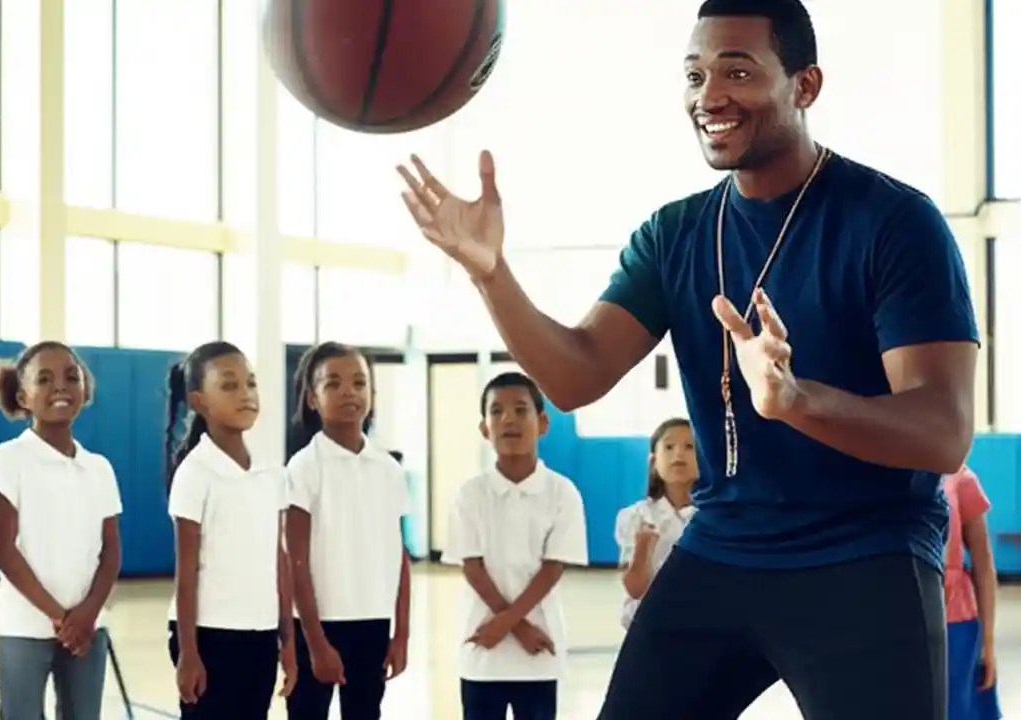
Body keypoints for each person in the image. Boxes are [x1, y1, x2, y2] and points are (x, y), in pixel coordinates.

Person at [396, 0, 978, 716]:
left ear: (805, 85)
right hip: (724, 547)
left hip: (866, 552)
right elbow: (576, 375)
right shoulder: (675, 235)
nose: (710, 96)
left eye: (738, 71)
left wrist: (798, 401)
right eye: (695, 74)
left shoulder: (892, 222)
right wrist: (492, 273)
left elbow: (942, 430)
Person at [0, 341, 123, 720]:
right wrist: (60, 617)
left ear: (85, 390)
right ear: (23, 397)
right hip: (24, 625)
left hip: (89, 627)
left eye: (71, 377)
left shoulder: (99, 469)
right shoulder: (8, 459)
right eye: (44, 379)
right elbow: (3, 549)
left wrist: (88, 614)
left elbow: (111, 552)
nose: (60, 386)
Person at [443, 372, 587, 720]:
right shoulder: (470, 493)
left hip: (539, 651)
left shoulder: (561, 492)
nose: (508, 419)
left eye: (520, 410)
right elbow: (472, 565)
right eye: (496, 411)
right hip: (483, 648)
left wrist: (507, 623)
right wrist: (511, 626)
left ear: (542, 423)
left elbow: (553, 567)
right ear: (484, 428)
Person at [164, 341, 297, 719]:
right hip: (209, 636)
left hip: (260, 634)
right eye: (229, 385)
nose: (245, 394)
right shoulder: (196, 473)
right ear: (198, 401)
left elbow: (278, 560)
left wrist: (287, 640)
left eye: (250, 383)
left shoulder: (271, 472)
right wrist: (189, 653)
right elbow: (186, 573)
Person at [284, 341, 411, 720]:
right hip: (317, 625)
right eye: (332, 384)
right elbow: (295, 560)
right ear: (312, 399)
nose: (348, 392)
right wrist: (316, 642)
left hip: (372, 623)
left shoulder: (388, 469)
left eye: (359, 382)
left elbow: (398, 555)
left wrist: (401, 633)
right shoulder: (305, 467)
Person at [613, 418, 697, 629]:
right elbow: (635, 589)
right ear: (653, 462)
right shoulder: (635, 516)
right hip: (648, 627)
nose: (678, 454)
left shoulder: (717, 517)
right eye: (669, 447)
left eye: (689, 447)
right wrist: (643, 547)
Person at [941, 467, 1002, 720]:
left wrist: (987, 643)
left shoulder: (960, 480)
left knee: (957, 708)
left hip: (956, 623)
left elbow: (984, 568)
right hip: (898, 623)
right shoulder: (881, 472)